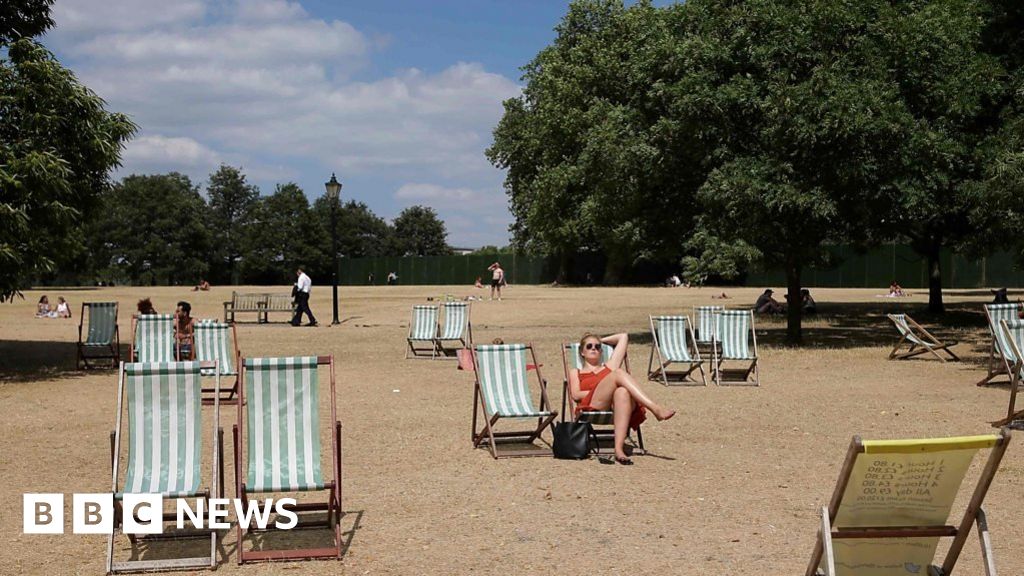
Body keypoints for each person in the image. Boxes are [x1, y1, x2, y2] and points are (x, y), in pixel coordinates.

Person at [568, 333, 675, 465]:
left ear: (601, 351)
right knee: (618, 373)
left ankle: (618, 449)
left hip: (615, 404)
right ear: (582, 352)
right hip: (593, 404)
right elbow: (576, 394)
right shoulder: (576, 372)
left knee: (622, 391)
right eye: (589, 346)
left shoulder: (609, 366)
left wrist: (598, 339)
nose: (594, 348)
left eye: (597, 346)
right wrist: (603, 390)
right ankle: (654, 408)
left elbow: (623, 337)